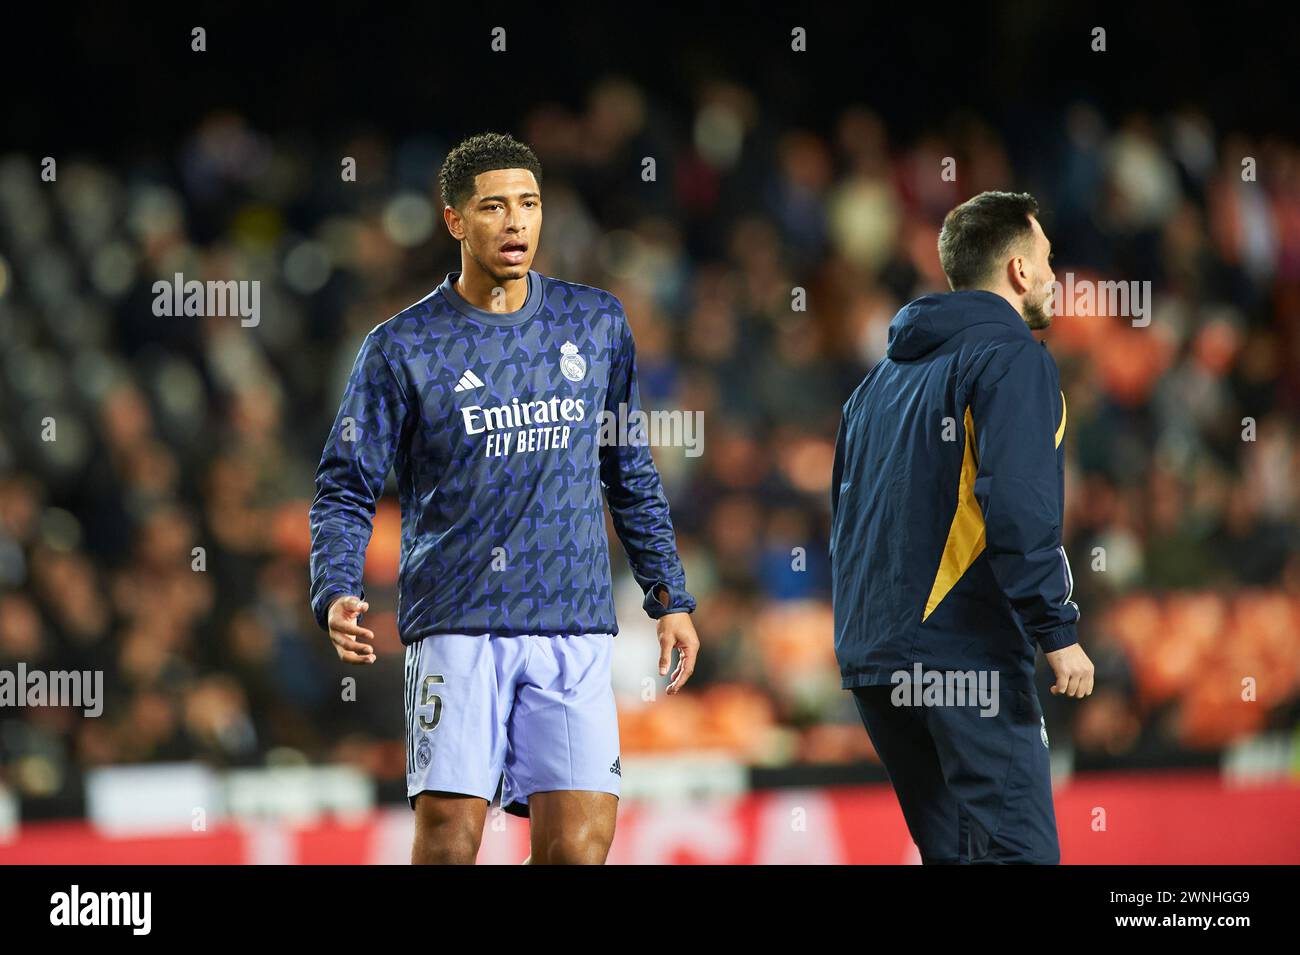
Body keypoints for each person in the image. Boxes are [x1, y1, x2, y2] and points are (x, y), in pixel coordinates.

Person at [308, 132, 700, 864]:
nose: (516, 222)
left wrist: (668, 594)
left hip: (574, 621)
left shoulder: (596, 322)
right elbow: (344, 483)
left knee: (579, 849)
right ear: (455, 220)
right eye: (494, 207)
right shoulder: (402, 347)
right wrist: (334, 587)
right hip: (459, 624)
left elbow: (629, 467)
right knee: (451, 843)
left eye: (529, 204)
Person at [830, 191, 1094, 864]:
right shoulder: (1012, 359)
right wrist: (1055, 628)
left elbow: (848, 517)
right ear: (1017, 270)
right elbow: (1018, 506)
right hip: (962, 649)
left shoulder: (876, 383)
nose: (1055, 277)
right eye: (1047, 259)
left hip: (874, 658)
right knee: (1018, 858)